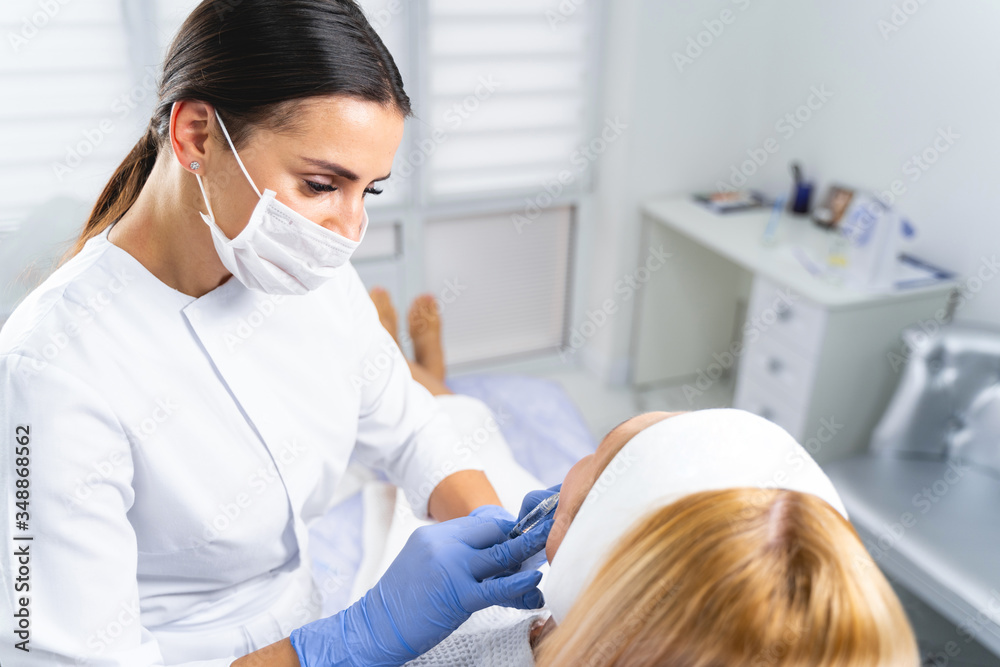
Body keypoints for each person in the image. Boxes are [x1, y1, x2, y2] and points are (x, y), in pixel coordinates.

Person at [0, 1, 552, 665]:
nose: (348, 232)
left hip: (304, 621)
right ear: (197, 136)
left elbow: (410, 429)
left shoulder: (301, 269)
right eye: (322, 183)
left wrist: (498, 540)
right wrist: (353, 638)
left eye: (368, 192)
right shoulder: (49, 368)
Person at [376, 409, 920, 666]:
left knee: (466, 438)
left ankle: (433, 376)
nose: (574, 469)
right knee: (478, 434)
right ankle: (436, 372)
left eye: (591, 462)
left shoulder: (439, 633)